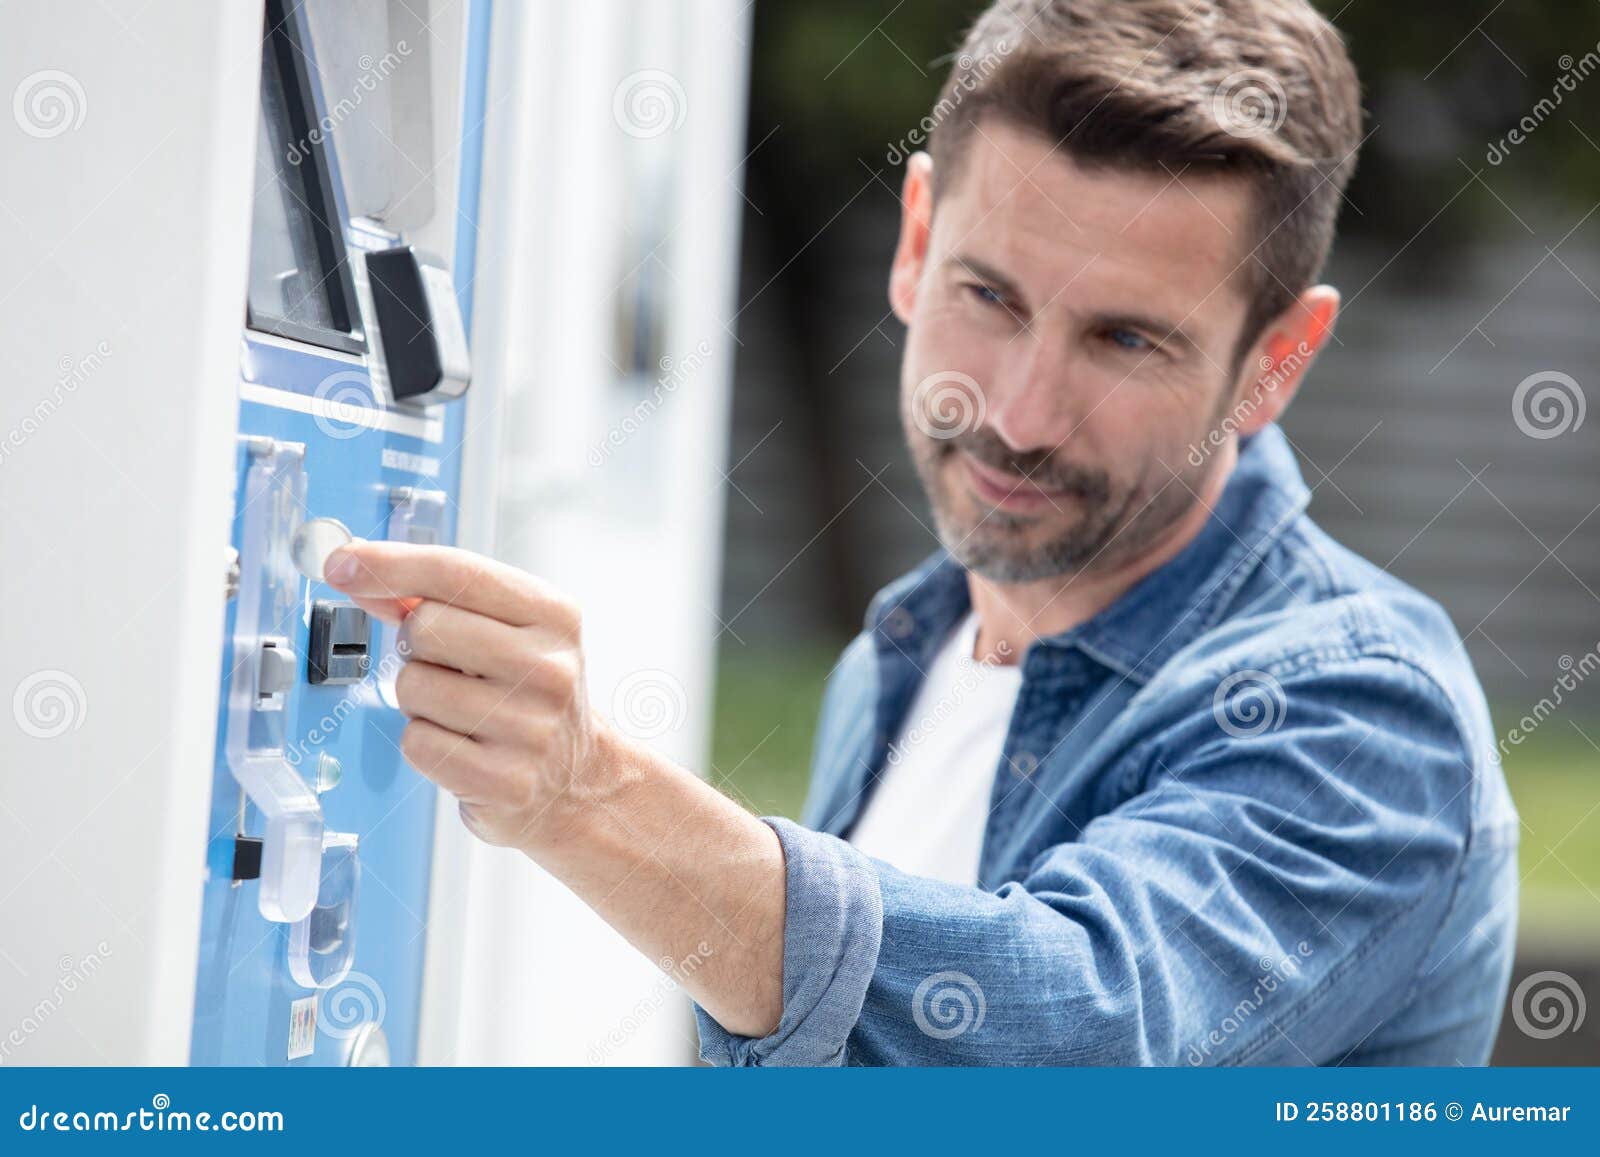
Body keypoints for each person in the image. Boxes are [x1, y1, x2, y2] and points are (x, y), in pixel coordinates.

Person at [323, 0, 1519, 1065]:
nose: (1019, 414)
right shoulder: (901, 655)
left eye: (1125, 340)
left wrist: (590, 794)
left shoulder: (1365, 715)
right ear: (913, 243)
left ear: (1275, 362)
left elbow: (1082, 1047)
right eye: (988, 295)